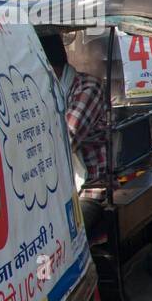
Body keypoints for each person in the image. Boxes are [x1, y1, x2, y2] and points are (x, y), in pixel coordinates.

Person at [39, 33, 106, 230]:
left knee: (63, 231)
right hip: (58, 190)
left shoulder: (88, 88)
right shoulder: (47, 92)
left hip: (90, 191)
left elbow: (64, 141)